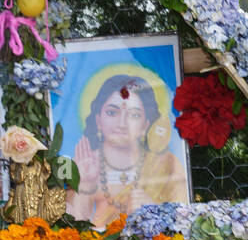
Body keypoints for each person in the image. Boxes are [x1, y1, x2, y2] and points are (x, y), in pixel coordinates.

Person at [68, 74, 189, 228]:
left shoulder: (166, 165)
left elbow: (183, 222)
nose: (122, 123)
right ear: (98, 119)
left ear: (146, 125)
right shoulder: (85, 162)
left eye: (134, 115)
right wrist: (85, 183)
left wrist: (153, 210)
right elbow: (71, 230)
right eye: (112, 112)